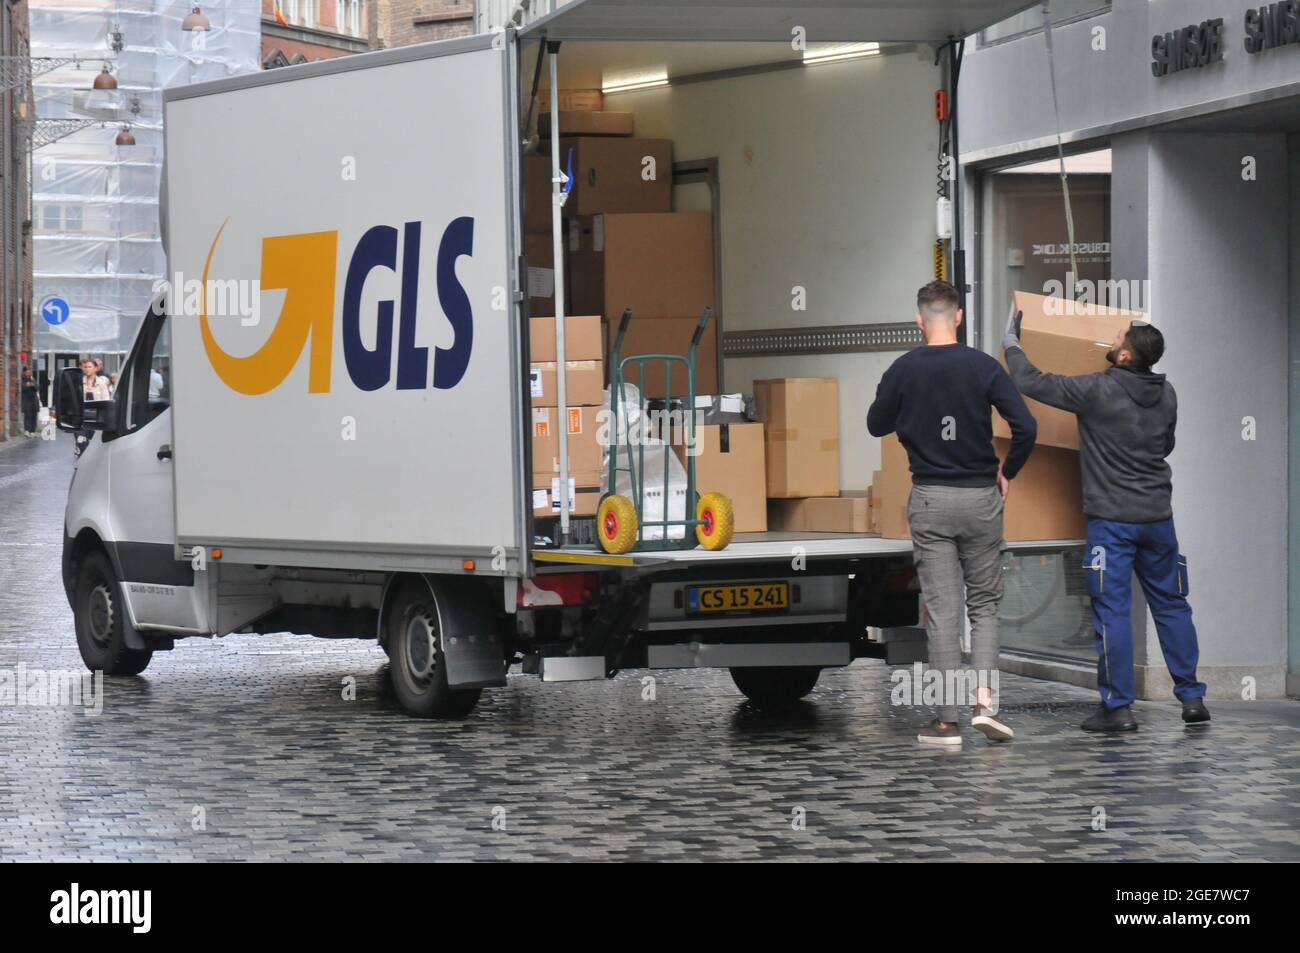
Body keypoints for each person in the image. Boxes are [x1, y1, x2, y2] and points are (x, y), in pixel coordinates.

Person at [1004, 316, 1209, 732]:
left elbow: (1032, 381)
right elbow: (1165, 444)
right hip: (1158, 520)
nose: (1110, 342)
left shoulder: (1096, 390)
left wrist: (1012, 343)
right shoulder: (1166, 393)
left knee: (1112, 611)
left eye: (1117, 339)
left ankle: (1118, 708)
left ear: (1127, 354)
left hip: (1112, 524)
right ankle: (1192, 699)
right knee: (1171, 605)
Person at [869, 281, 1038, 746]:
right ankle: (985, 703)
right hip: (982, 498)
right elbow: (1026, 426)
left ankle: (945, 722)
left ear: (920, 320)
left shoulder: (903, 368)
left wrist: (909, 409)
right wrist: (1009, 472)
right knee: (984, 607)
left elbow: (875, 424)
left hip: (930, 499)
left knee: (943, 613)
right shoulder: (984, 367)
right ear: (959, 317)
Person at [20, 366, 41, 436]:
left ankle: (32, 431)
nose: (29, 373)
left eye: (30, 372)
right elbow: (23, 387)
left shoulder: (32, 378)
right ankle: (27, 430)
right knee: (27, 415)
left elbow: (37, 387)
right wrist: (28, 385)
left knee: (34, 415)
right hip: (26, 400)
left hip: (34, 400)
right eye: (27, 372)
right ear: (24, 372)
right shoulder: (22, 379)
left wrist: (31, 384)